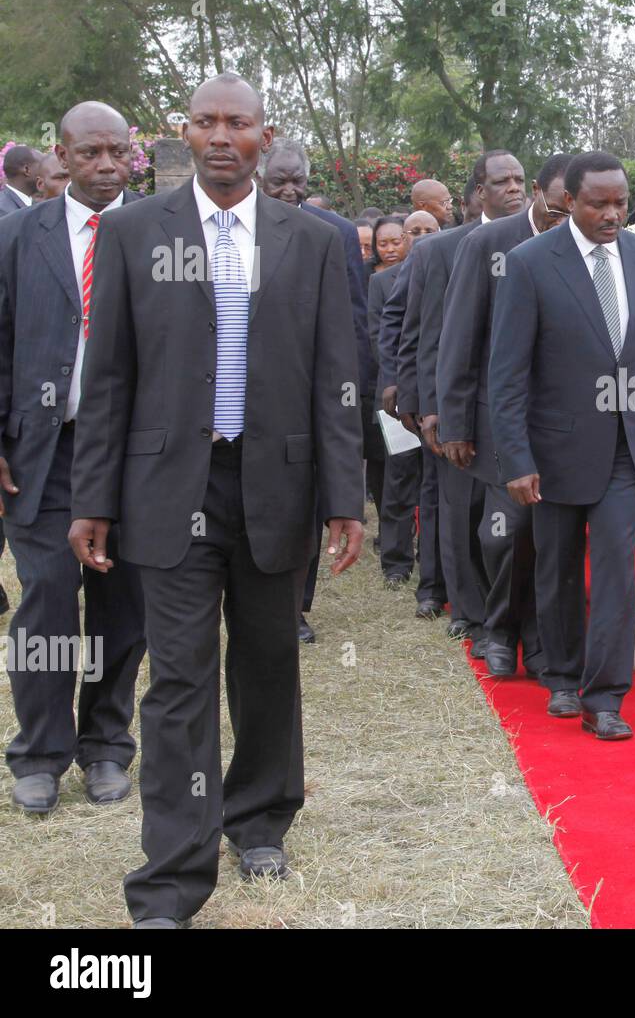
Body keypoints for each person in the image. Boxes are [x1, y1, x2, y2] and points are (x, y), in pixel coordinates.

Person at [68, 73, 365, 927]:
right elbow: (109, 376)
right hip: (168, 487)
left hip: (277, 485)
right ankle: (170, 876)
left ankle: (260, 819)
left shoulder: (312, 241)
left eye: (239, 123)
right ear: (184, 135)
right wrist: (93, 498)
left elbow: (336, 375)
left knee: (268, 663)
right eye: (207, 122)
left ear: (265, 136)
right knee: (178, 681)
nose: (223, 137)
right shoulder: (133, 233)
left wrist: (345, 498)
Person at [0, 102, 146, 814]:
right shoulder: (15, 237)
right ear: (60, 156)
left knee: (122, 603)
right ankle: (39, 751)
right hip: (42, 451)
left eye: (117, 152)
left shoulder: (161, 235)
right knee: (48, 599)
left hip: (134, 455)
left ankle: (107, 745)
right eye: (89, 153)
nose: (106, 165)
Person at [490, 152, 635, 741]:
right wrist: (516, 459)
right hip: (554, 450)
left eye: (621, 203)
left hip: (624, 449)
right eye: (598, 204)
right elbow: (507, 372)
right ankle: (562, 676)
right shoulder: (530, 263)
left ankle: (605, 697)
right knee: (558, 568)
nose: (612, 214)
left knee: (616, 571)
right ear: (568, 200)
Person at [438, 154, 573, 677]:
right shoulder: (487, 243)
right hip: (499, 418)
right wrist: (454, 421)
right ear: (540, 193)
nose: (565, 219)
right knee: (505, 532)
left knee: (549, 536)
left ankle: (536, 642)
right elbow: (459, 336)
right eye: (557, 208)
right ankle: (499, 629)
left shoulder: (588, 245)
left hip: (564, 419)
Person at [390, 152, 527, 645]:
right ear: (478, 193)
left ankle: (514, 610)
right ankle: (469, 613)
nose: (514, 188)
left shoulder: (542, 244)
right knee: (460, 510)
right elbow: (422, 336)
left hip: (519, 407)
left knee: (511, 519)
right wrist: (429, 408)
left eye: (520, 180)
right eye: (502, 181)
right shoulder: (439, 251)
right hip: (458, 405)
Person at [259, 138, 371, 643]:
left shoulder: (336, 232)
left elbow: (352, 315)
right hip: (252, 383)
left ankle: (295, 607)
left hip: (309, 386)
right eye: (278, 181)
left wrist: (352, 386)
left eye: (296, 181)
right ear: (261, 178)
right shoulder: (243, 227)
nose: (288, 190)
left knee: (302, 497)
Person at [366, 216, 417, 585]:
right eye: (415, 231)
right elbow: (378, 338)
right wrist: (399, 384)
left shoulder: (445, 271)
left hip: (436, 396)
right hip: (395, 396)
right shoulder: (381, 283)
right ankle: (396, 563)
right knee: (398, 479)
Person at [0, 144, 39, 216]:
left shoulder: (33, 204)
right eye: (42, 165)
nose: (47, 171)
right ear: (27, 170)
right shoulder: (4, 211)